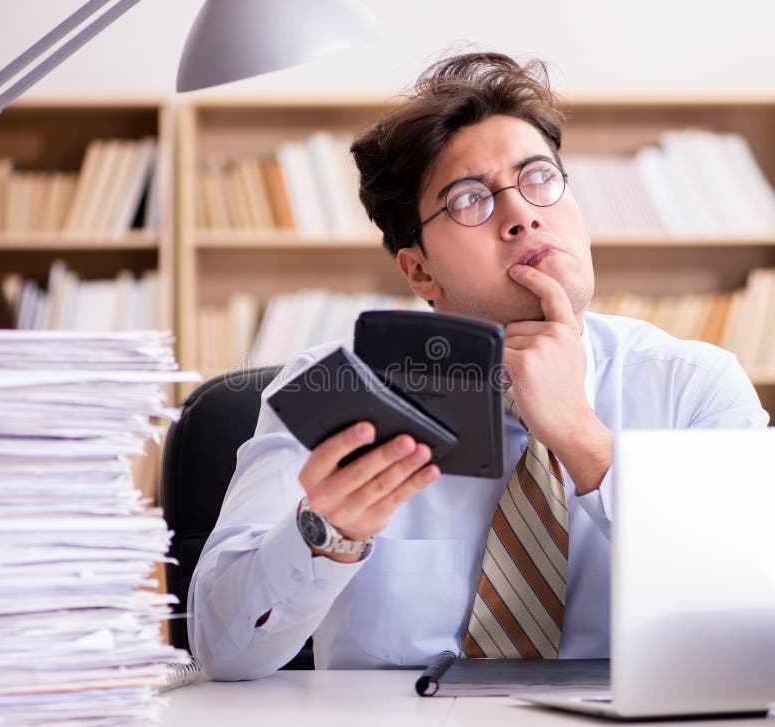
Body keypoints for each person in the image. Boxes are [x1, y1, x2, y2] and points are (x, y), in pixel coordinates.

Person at [188, 52, 768, 680]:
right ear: (419, 271)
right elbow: (221, 653)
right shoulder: (337, 393)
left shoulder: (695, 387)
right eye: (470, 199)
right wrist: (326, 533)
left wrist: (583, 440)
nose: (522, 214)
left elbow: (754, 612)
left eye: (539, 177)